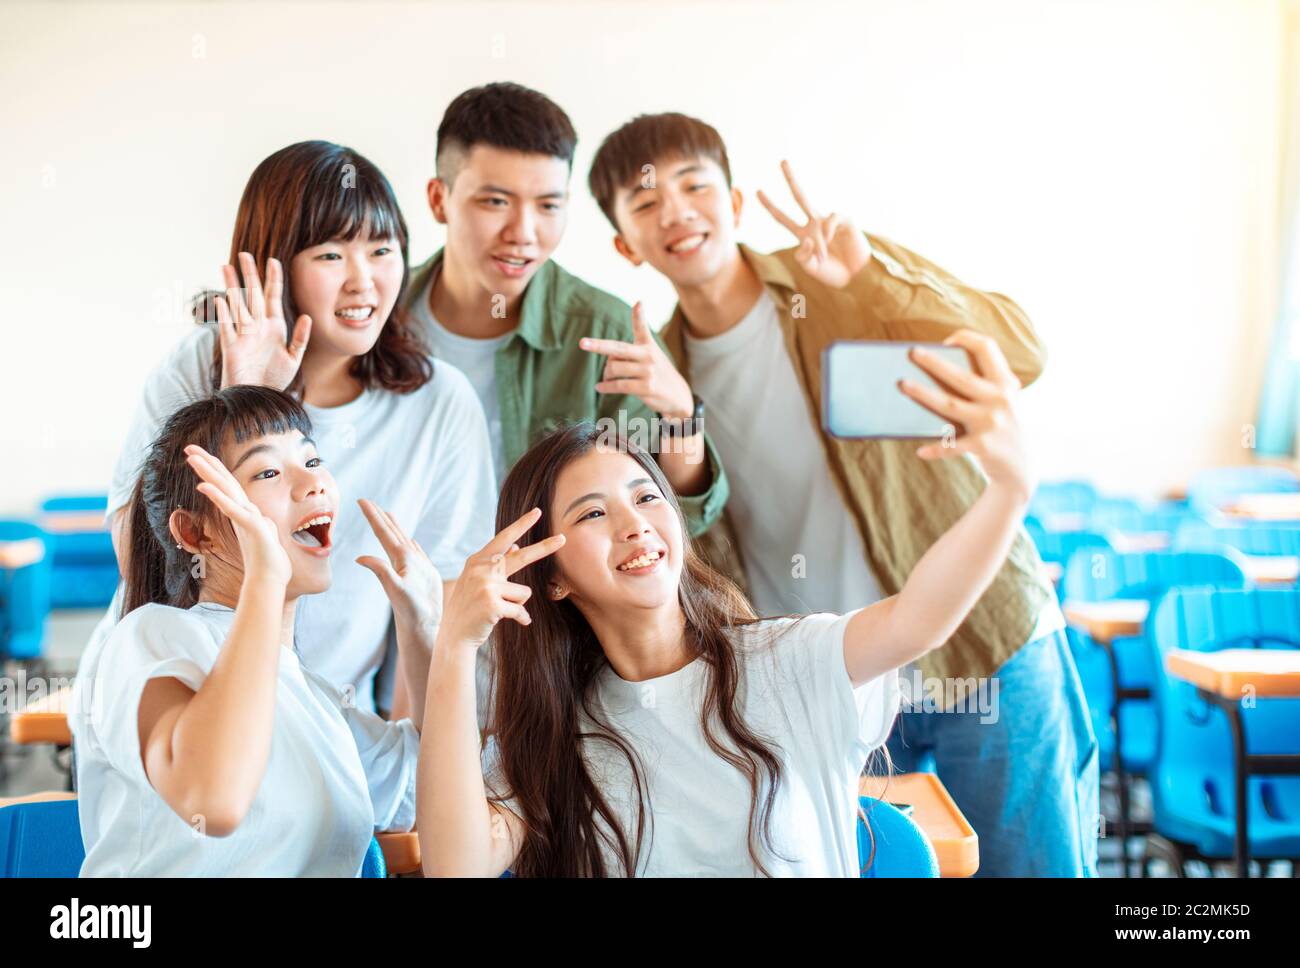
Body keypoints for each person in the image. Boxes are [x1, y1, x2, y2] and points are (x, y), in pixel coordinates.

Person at [585, 112, 1097, 876]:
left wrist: (869, 277)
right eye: (647, 200)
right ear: (626, 243)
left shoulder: (837, 274)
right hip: (839, 687)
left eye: (696, 184)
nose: (678, 211)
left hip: (983, 648)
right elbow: (695, 553)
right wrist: (678, 425)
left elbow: (1020, 351)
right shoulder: (655, 379)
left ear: (736, 203)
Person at [416, 326, 1034, 877]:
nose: (636, 526)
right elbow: (454, 866)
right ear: (552, 578)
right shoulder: (553, 737)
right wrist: (454, 645)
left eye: (648, 497)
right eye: (595, 513)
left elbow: (916, 621)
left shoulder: (788, 658)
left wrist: (1007, 491)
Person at [95, 140, 495, 715]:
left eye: (383, 250)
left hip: (326, 721)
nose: (364, 282)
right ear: (270, 267)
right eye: (331, 255)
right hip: (182, 706)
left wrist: (419, 769)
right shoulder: (197, 366)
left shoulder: (439, 400)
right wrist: (245, 401)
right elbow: (147, 564)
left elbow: (436, 600)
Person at [71, 387, 439, 875]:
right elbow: (213, 800)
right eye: (267, 472)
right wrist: (266, 577)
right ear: (196, 534)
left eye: (312, 460)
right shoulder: (151, 637)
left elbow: (434, 783)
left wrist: (422, 627)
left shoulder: (318, 698)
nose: (312, 484)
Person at [405, 83, 726, 534]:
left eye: (548, 205)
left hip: (545, 600)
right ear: (440, 199)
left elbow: (679, 519)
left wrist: (680, 419)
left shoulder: (604, 331)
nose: (524, 232)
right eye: (496, 202)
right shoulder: (377, 318)